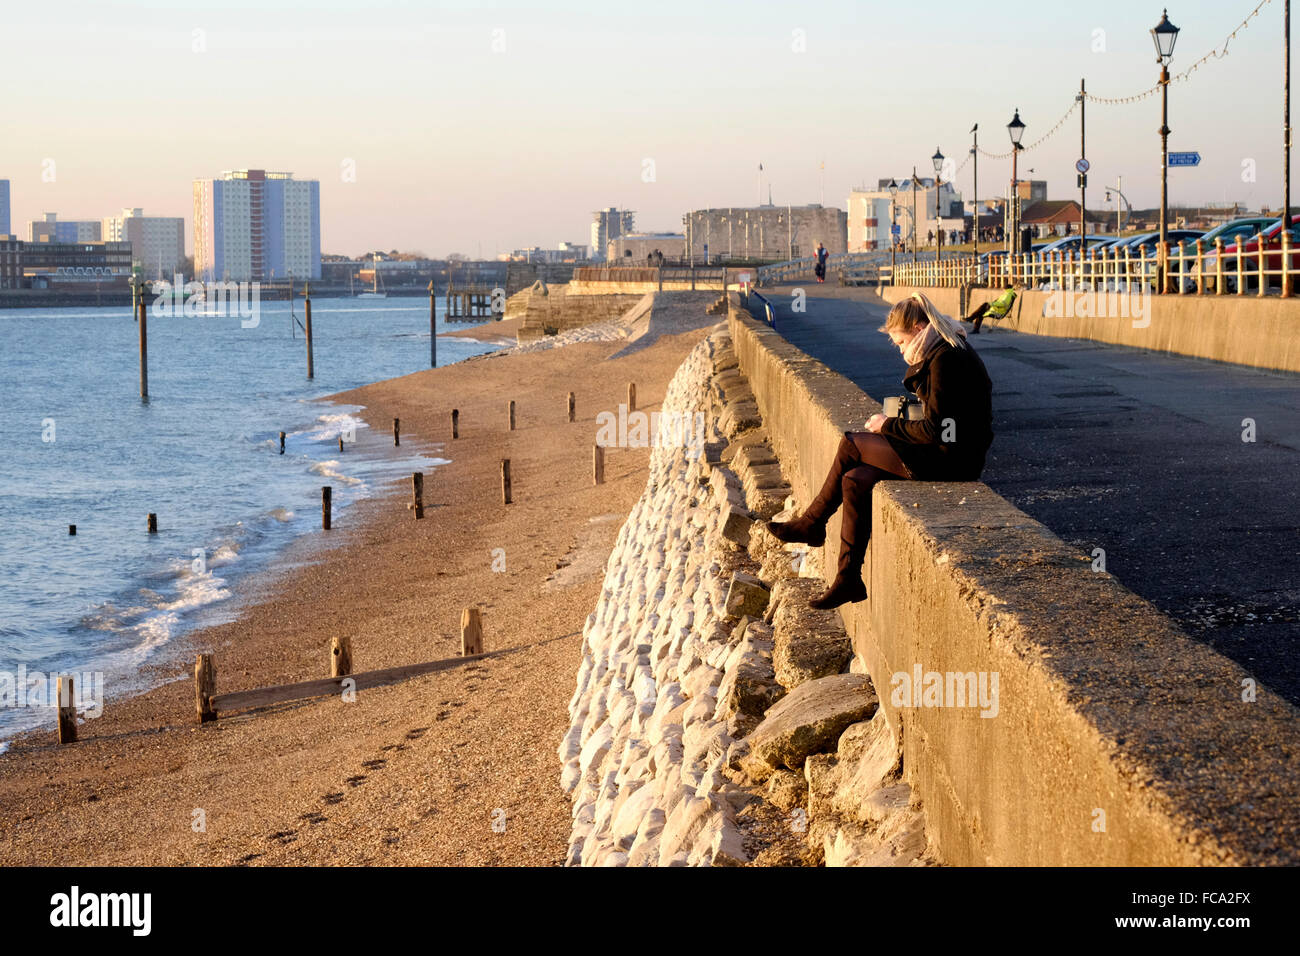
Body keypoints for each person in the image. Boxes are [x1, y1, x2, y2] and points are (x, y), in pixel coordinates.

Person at [767, 293, 994, 609]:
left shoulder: (945, 359)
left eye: (900, 342)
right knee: (855, 480)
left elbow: (938, 431)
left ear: (917, 328)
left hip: (952, 460)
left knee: (851, 443)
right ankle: (848, 579)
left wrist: (887, 424)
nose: (900, 350)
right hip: (951, 452)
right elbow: (943, 421)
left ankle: (812, 523)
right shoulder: (945, 348)